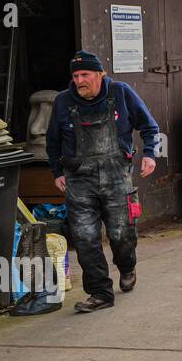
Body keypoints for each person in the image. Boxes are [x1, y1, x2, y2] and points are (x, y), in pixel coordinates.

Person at [47, 51, 160, 313]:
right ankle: (100, 292)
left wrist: (150, 155)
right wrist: (57, 172)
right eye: (75, 76)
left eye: (85, 74)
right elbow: (52, 141)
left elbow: (148, 126)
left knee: (122, 235)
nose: (80, 81)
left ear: (100, 74)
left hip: (116, 176)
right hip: (79, 179)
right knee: (85, 239)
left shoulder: (120, 93)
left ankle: (127, 265)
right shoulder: (63, 102)